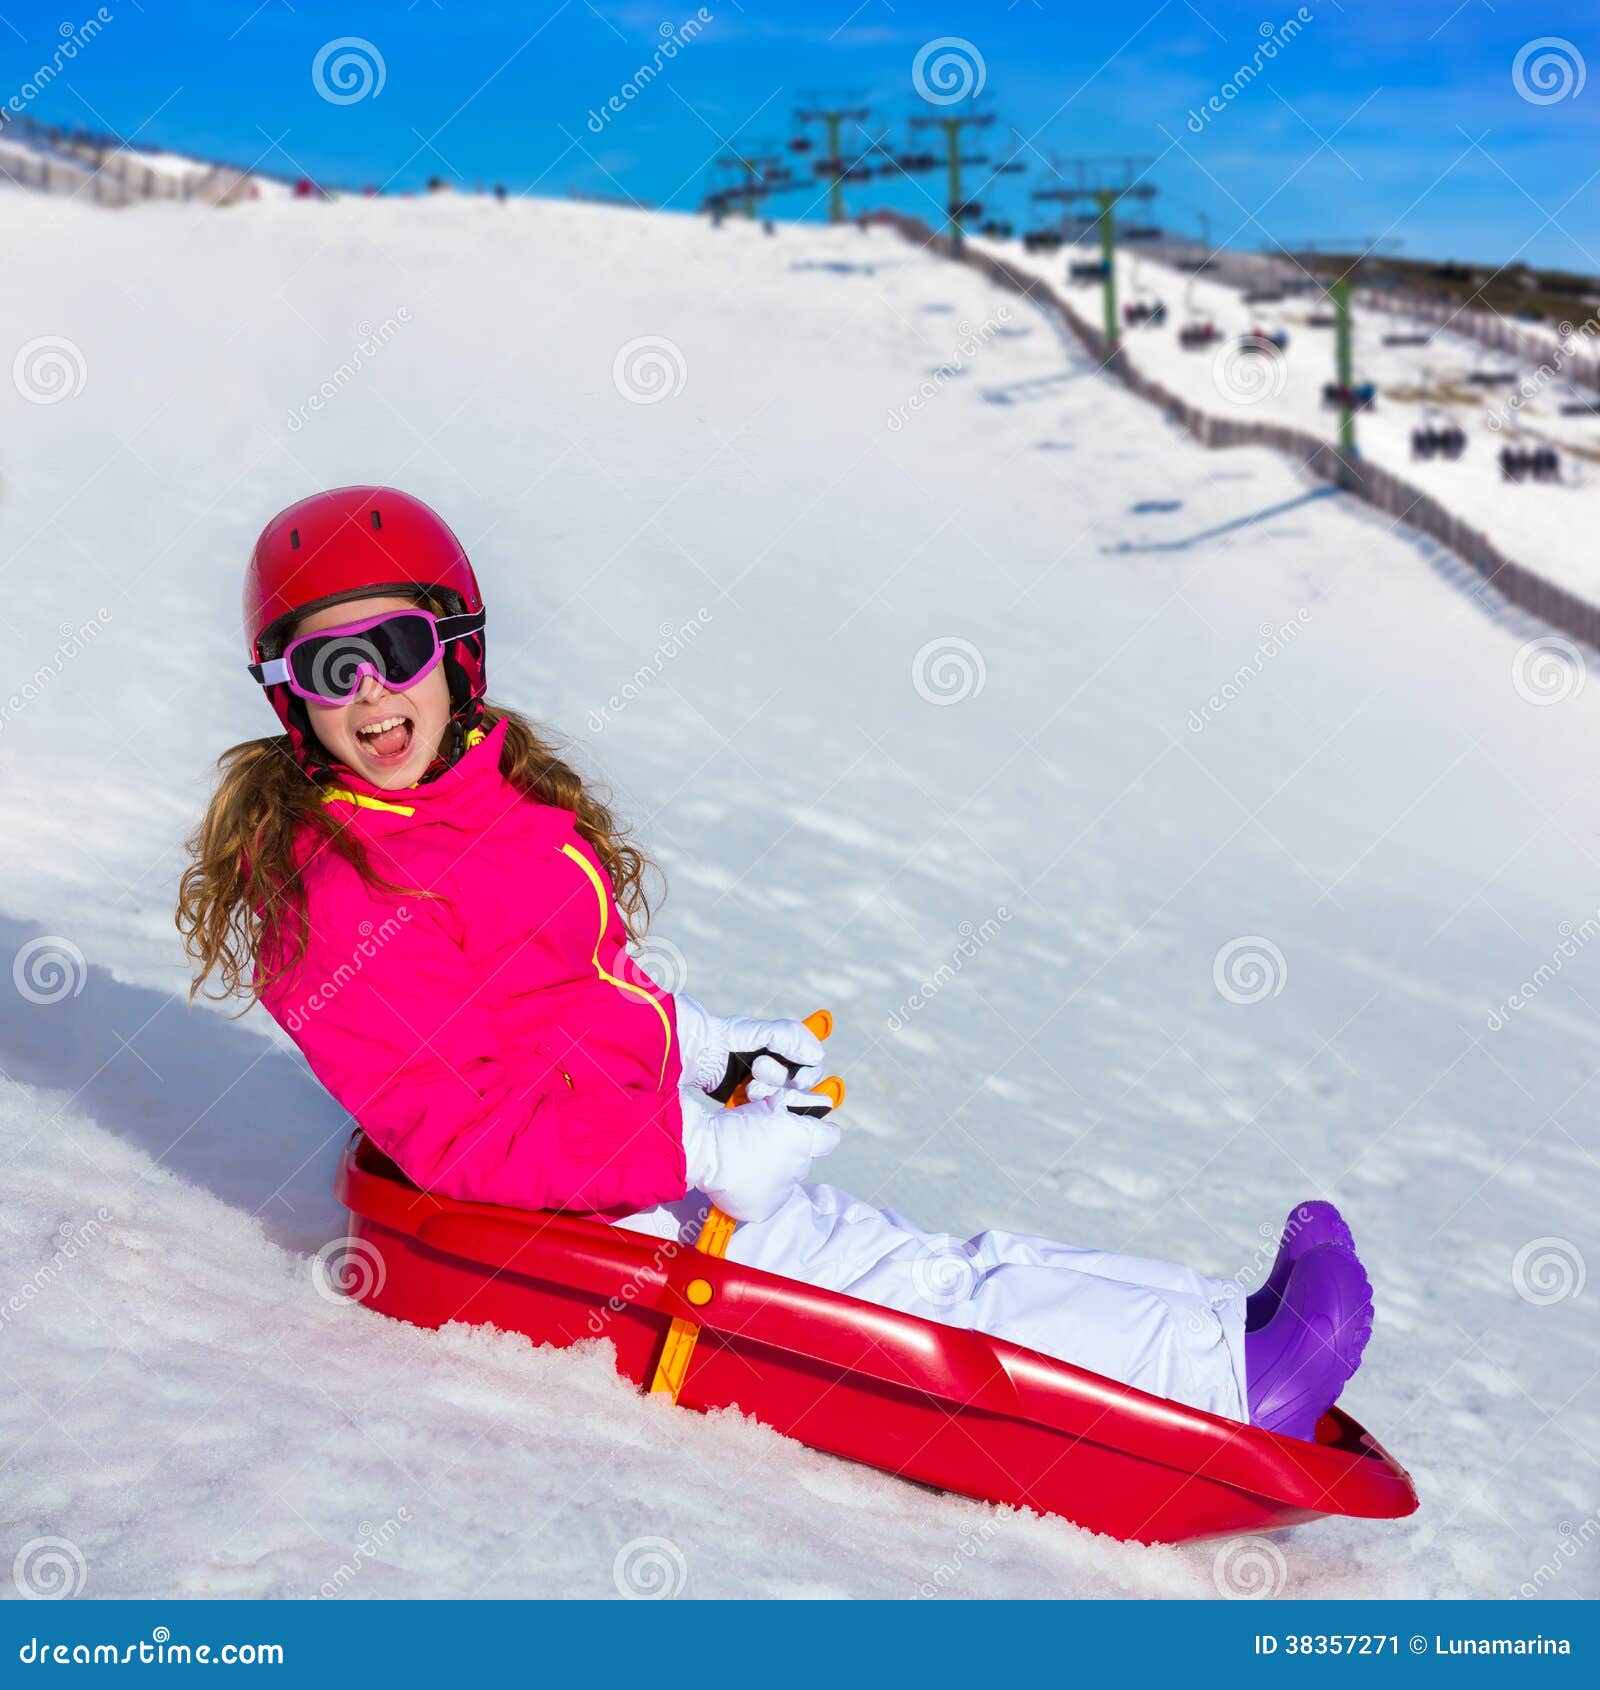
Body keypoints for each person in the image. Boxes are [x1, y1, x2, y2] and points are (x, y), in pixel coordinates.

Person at [176, 487, 1373, 1442]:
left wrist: (711, 1047)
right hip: (573, 1210)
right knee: (900, 1301)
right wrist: (697, 1144)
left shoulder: (480, 805)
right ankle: (1225, 1386)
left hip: (624, 1146)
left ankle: (1226, 1327)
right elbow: (457, 1130)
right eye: (331, 669)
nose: (372, 691)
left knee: (922, 1258)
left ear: (460, 652)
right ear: (291, 699)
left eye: (395, 645)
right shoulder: (341, 890)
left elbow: (579, 986)